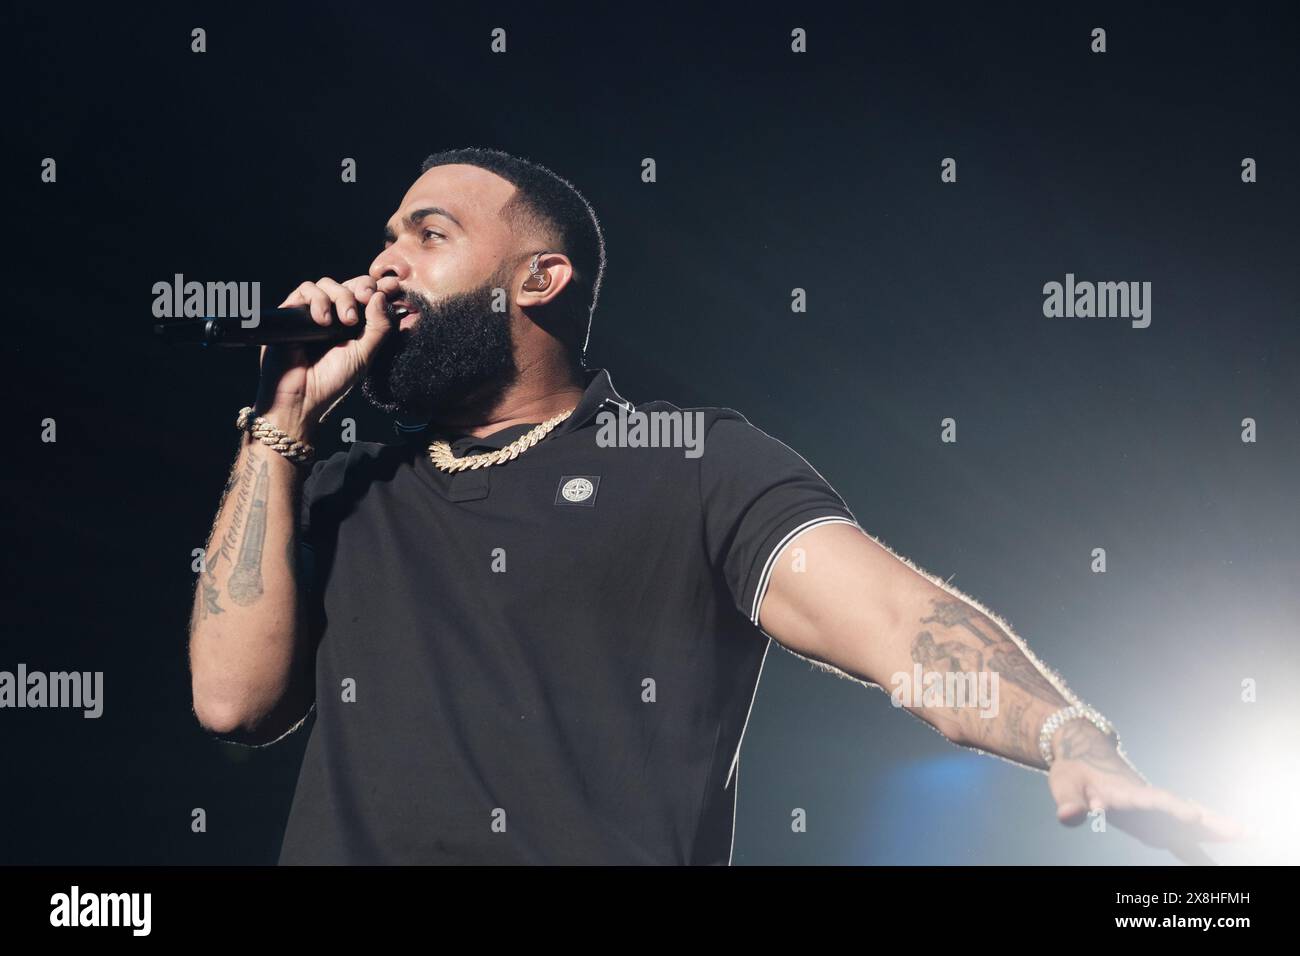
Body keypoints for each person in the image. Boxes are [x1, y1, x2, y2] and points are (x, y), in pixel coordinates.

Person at [187, 147, 1243, 865]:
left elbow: (893, 623)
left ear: (540, 276)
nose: (383, 264)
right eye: (386, 238)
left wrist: (1070, 732)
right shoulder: (331, 484)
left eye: (427, 234)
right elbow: (233, 701)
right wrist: (281, 415)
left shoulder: (692, 464)